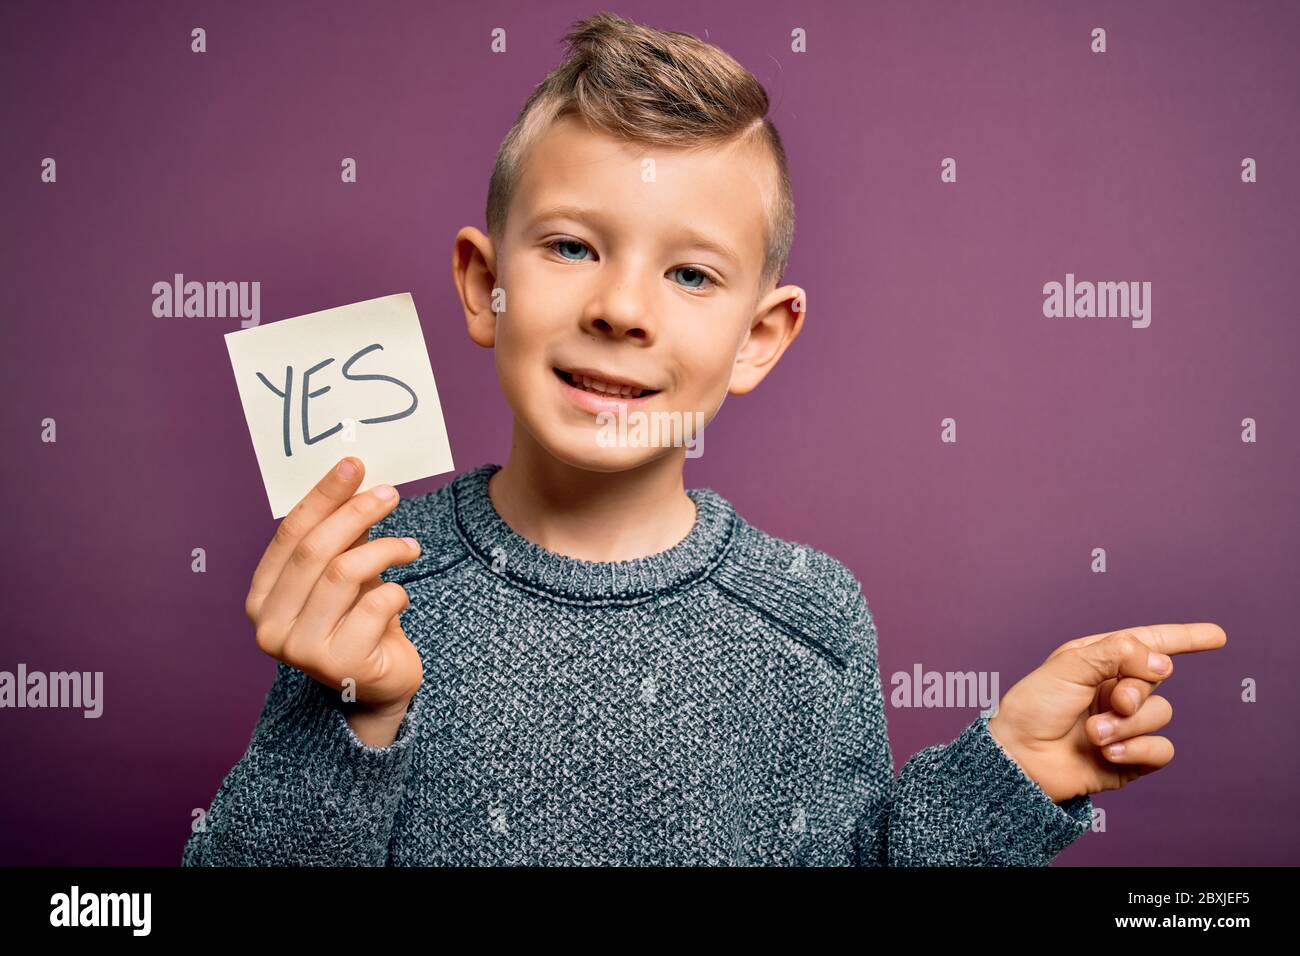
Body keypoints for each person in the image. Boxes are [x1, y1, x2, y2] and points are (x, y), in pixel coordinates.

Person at [182, 10, 1226, 866]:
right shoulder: (372, 588)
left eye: (689, 273)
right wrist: (347, 719)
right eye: (570, 245)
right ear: (480, 283)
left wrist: (1006, 774)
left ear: (757, 338)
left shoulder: (812, 617)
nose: (623, 308)